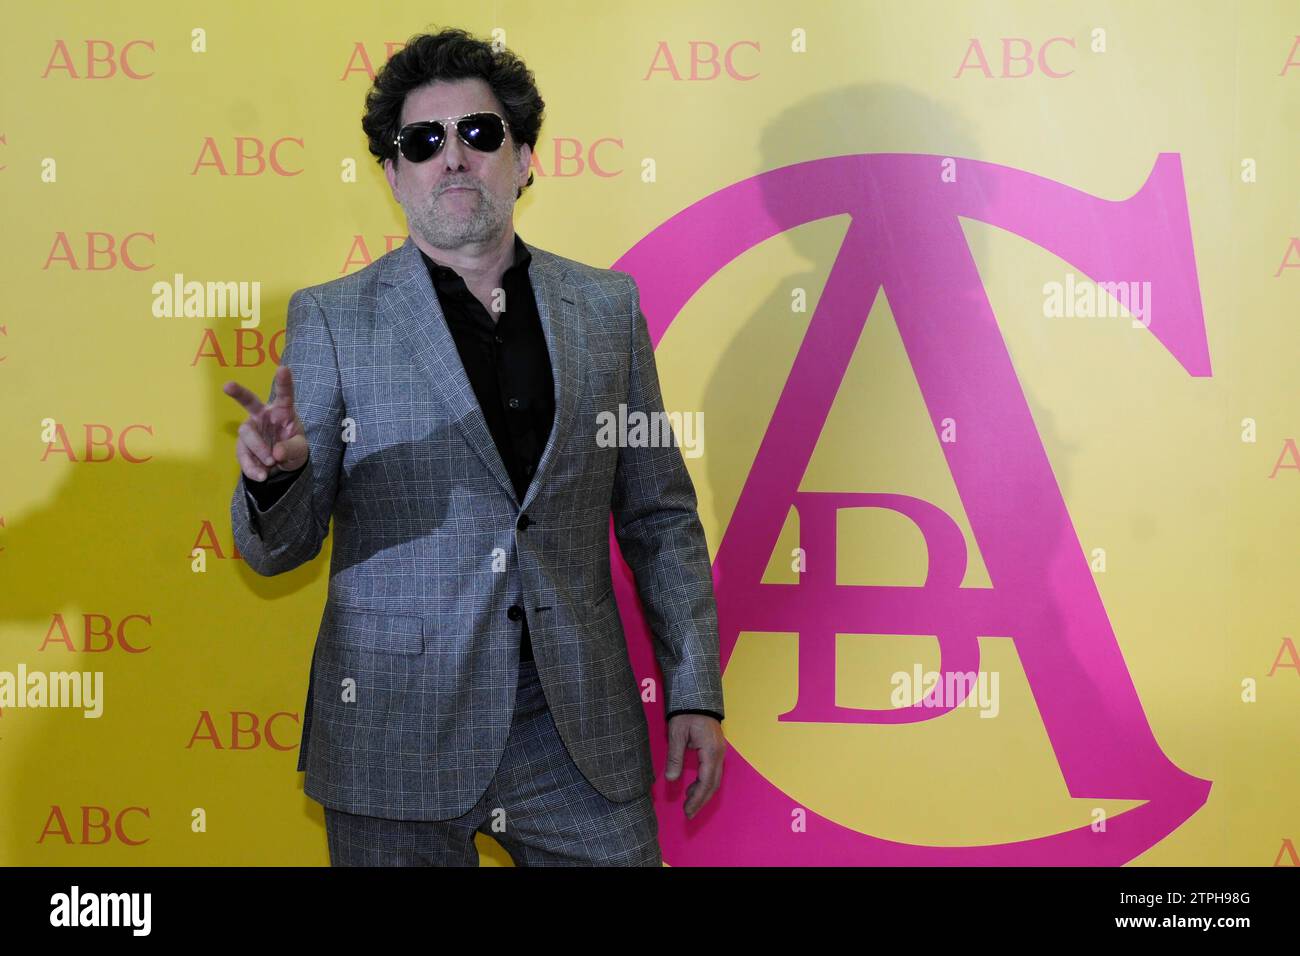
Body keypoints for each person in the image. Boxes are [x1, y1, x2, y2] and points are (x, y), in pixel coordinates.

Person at [222, 27, 725, 866]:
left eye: (479, 133)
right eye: (424, 142)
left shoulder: (607, 309)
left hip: (573, 731)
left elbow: (660, 516)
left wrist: (694, 689)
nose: (452, 157)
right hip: (393, 726)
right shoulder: (333, 320)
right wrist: (280, 481)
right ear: (392, 175)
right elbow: (278, 550)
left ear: (525, 158)